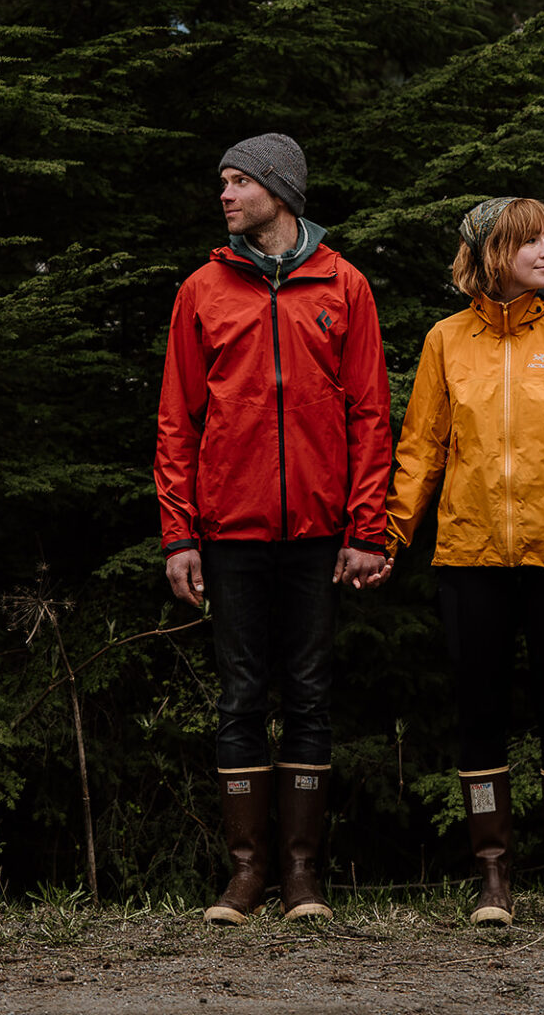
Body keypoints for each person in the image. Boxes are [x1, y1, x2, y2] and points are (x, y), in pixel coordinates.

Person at [155, 133, 392, 925]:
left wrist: (368, 528)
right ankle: (245, 878)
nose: (224, 195)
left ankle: (301, 880)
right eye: (222, 181)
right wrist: (179, 536)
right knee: (240, 697)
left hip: (322, 532)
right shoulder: (202, 289)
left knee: (312, 696)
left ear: (279, 191)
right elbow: (176, 423)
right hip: (230, 530)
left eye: (237, 181)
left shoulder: (344, 284)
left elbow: (370, 413)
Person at [385, 197, 544, 930]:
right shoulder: (444, 342)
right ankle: (493, 879)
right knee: (479, 714)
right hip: (469, 558)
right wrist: (389, 536)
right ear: (493, 253)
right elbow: (421, 451)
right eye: (532, 241)